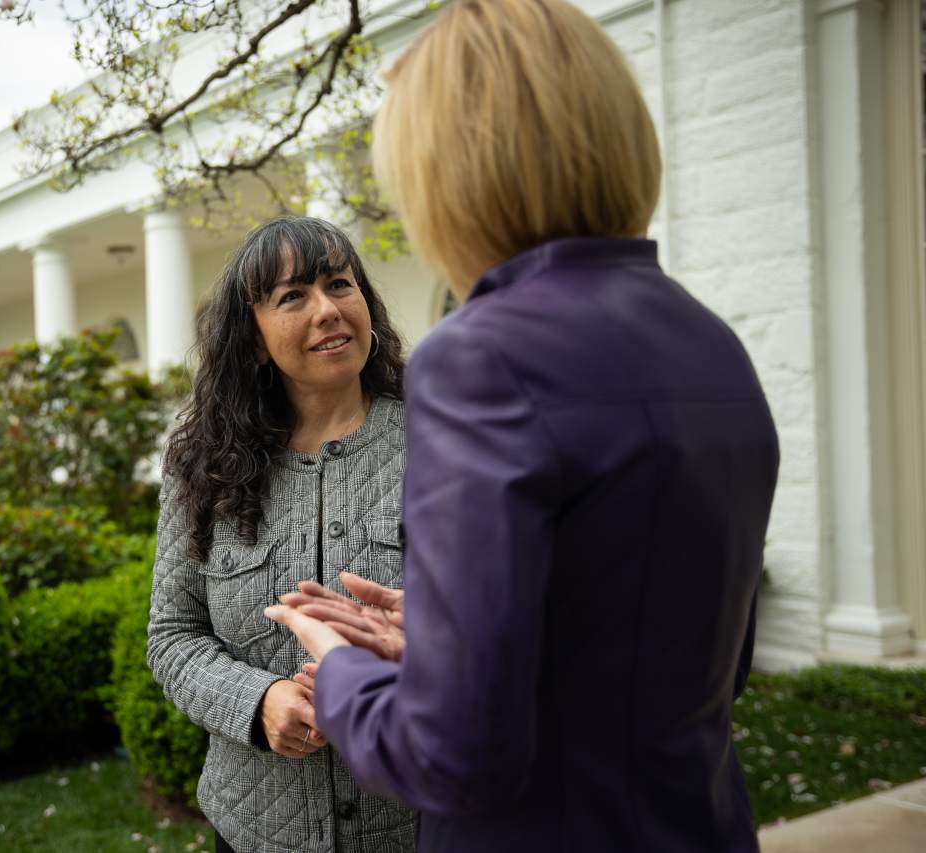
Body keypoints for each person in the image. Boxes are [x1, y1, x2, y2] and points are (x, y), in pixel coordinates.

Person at [266, 1, 781, 851]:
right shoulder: (710, 341)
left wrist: (343, 667)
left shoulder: (481, 359)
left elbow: (454, 753)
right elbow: (687, 655)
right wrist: (446, 631)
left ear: (450, 177)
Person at [147, 216, 417, 853]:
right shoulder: (201, 465)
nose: (326, 309)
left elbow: (498, 620)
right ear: (255, 339)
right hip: (254, 829)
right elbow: (172, 634)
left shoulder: (440, 443)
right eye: (292, 296)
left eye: (339, 284)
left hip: (414, 824)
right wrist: (257, 701)